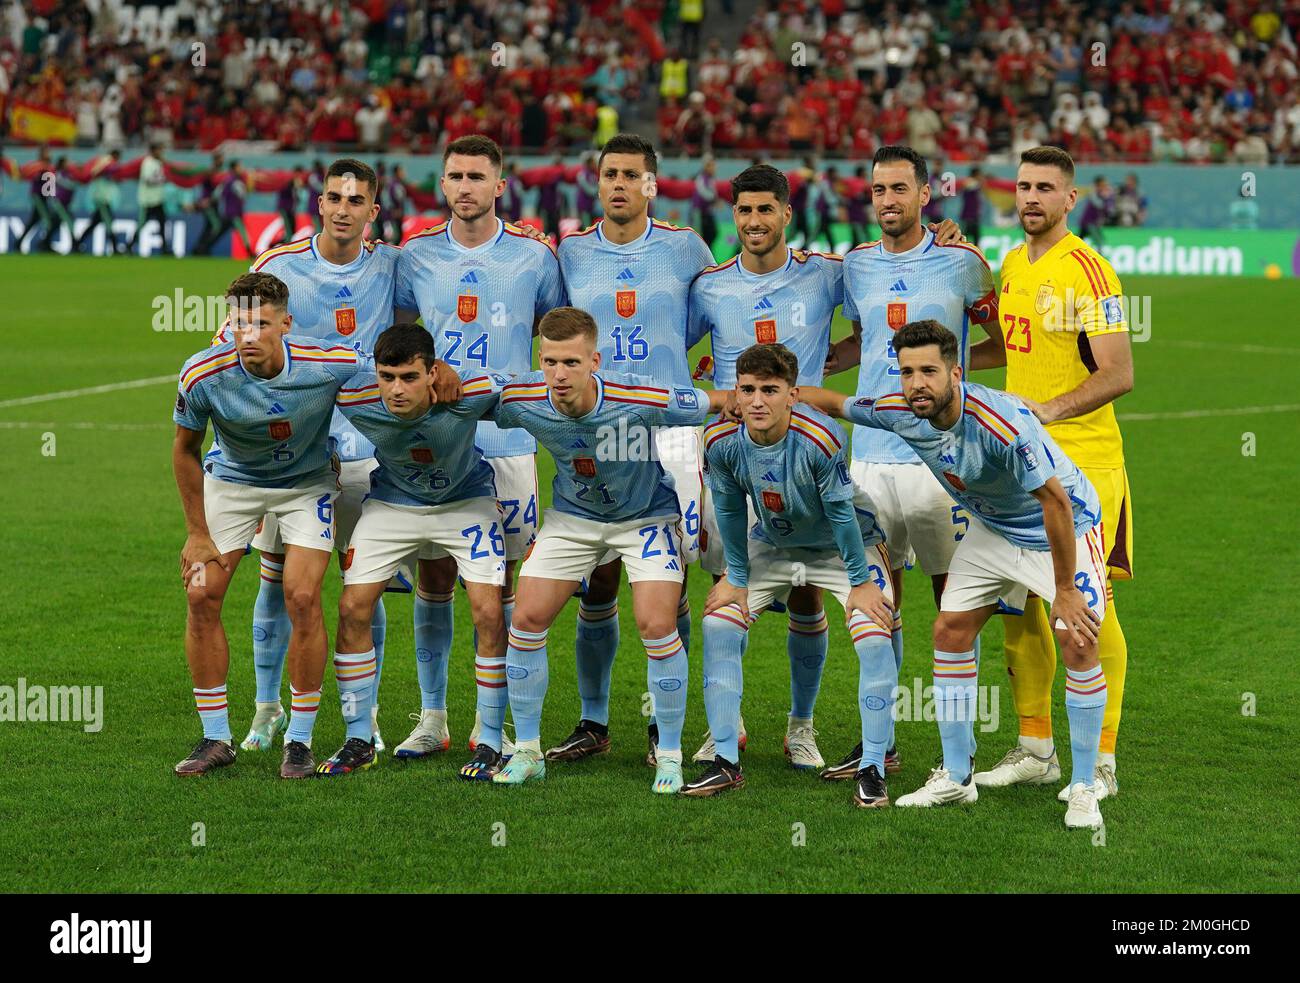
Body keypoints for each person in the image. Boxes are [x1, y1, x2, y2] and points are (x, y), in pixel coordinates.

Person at [800, 320, 1110, 830]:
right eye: (906, 372)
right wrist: (785, 394)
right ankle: (957, 778)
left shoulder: (1000, 422)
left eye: (928, 371)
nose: (916, 383)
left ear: (955, 372)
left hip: (1061, 526)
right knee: (949, 631)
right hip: (992, 527)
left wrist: (1062, 590)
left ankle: (1082, 788)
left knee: (1076, 640)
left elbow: (1053, 501)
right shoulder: (902, 413)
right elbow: (836, 403)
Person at [217, 158, 444, 756]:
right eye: (333, 197)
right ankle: (268, 709)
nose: (343, 208)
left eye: (356, 199)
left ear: (373, 211)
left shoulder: (391, 266)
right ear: (320, 203)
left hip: (369, 448)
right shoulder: (279, 266)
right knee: (275, 582)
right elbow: (234, 340)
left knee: (364, 581)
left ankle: (361, 716)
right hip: (289, 454)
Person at [488, 307, 732, 792]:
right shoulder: (521, 396)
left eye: (572, 363)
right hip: (573, 520)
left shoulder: (638, 398)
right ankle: (529, 751)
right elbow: (461, 401)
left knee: (656, 623)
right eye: (550, 361)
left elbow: (719, 400)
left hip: (644, 519)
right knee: (527, 618)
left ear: (594, 360)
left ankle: (669, 755)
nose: (559, 374)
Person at [820, 145, 1001, 781]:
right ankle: (883, 742)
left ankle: (962, 749)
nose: (887, 201)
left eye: (900, 189)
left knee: (955, 602)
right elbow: (860, 341)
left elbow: (1001, 343)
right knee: (877, 600)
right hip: (867, 456)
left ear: (927, 194)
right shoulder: (856, 267)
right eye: (878, 190)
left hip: (941, 461)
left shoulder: (963, 262)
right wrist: (813, 372)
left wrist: (958, 389)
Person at [394, 135, 565, 760]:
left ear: (500, 185)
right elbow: (400, 339)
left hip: (510, 441)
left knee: (503, 586)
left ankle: (497, 724)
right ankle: (433, 718)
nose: (465, 187)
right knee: (434, 576)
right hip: (436, 442)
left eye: (477, 176)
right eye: (454, 176)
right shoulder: (413, 257)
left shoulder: (535, 258)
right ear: (443, 185)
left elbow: (556, 336)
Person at [978, 146, 1134, 802]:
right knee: (1017, 603)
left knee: (1086, 612)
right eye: (1024, 186)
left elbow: (1118, 372)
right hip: (1019, 464)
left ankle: (1100, 760)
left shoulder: (1091, 272)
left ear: (1070, 198)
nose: (1032, 197)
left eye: (1046, 187)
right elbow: (1006, 346)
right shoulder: (1013, 262)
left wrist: (1047, 409)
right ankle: (1036, 745)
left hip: (1084, 463)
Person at [554, 133, 715, 766]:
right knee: (597, 577)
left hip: (669, 432)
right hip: (593, 431)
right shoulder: (570, 253)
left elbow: (700, 319)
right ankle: (594, 723)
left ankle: (661, 727)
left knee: (666, 582)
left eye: (631, 175)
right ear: (597, 183)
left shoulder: (684, 248)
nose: (619, 184)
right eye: (609, 174)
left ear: (652, 183)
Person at [170, 272, 369, 779]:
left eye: (261, 323)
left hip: (306, 485)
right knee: (200, 592)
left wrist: (436, 370)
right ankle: (216, 737)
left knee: (301, 596)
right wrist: (196, 531)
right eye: (239, 323)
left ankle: (298, 741)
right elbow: (185, 451)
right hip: (232, 483)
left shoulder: (328, 362)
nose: (249, 334)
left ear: (286, 323)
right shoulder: (202, 374)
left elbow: (392, 369)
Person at [685, 344, 896, 807]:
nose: (757, 401)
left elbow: (841, 515)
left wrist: (861, 583)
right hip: (775, 541)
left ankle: (875, 767)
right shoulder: (721, 442)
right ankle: (725, 761)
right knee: (719, 621)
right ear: (736, 394)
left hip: (847, 547)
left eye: (770, 390)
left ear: (793, 395)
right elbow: (727, 508)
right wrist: (735, 577)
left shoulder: (821, 437)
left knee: (875, 635)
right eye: (747, 390)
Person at [687, 162, 846, 770]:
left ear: (785, 213)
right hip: (732, 461)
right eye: (744, 211)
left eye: (765, 210)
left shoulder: (824, 276)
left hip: (811, 459)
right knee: (729, 586)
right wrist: (712, 392)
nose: (754, 222)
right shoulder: (710, 286)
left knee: (805, 594)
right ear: (735, 217)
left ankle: (800, 727)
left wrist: (825, 370)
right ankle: (726, 725)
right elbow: (679, 350)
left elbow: (882, 320)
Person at [321, 323, 511, 778]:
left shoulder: (470, 392)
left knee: (488, 610)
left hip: (466, 502)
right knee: (352, 607)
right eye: (387, 377)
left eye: (409, 377)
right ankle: (358, 738)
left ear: (432, 373)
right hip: (392, 504)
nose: (396, 389)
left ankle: (489, 736)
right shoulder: (356, 399)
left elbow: (538, 393)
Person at [74, 149, 126, 254]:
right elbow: (96, 173)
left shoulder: (105, 167)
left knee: (94, 224)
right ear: (115, 156)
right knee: (109, 222)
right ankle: (115, 248)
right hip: (101, 199)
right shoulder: (105, 164)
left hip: (103, 199)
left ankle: (77, 244)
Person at [127, 142, 170, 256]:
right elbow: (147, 180)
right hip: (147, 200)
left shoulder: (159, 163)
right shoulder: (148, 163)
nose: (161, 152)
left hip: (158, 199)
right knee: (142, 224)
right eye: (159, 150)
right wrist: (162, 180)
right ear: (153, 151)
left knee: (162, 224)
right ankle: (130, 245)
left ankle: (164, 248)